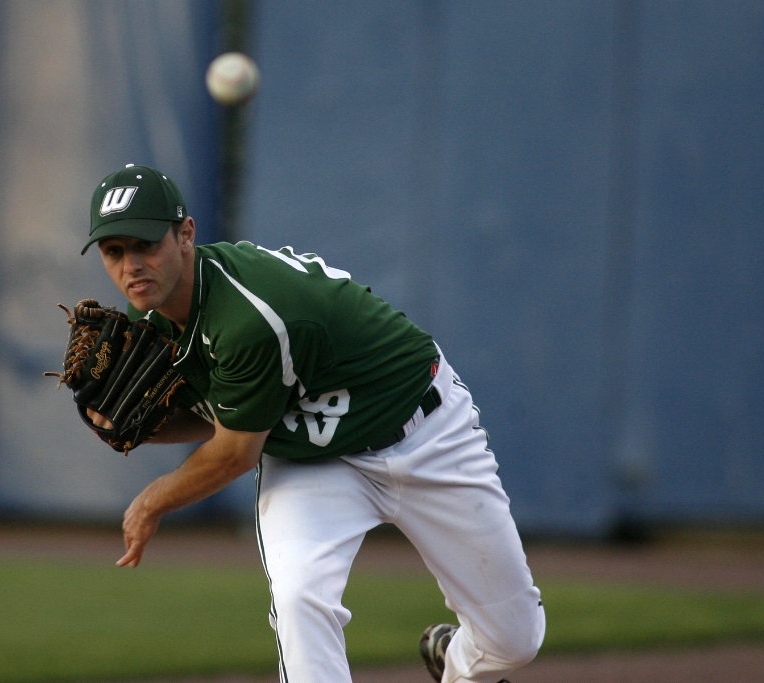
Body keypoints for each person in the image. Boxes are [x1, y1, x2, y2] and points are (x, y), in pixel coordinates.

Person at [80, 164, 545, 683]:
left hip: (427, 433)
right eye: (114, 251)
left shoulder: (250, 318)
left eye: (145, 244)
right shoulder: (150, 320)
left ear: (186, 234)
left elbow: (236, 453)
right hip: (316, 462)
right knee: (301, 596)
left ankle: (452, 661)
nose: (132, 266)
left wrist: (152, 501)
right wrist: (134, 425)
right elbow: (218, 414)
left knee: (514, 641)